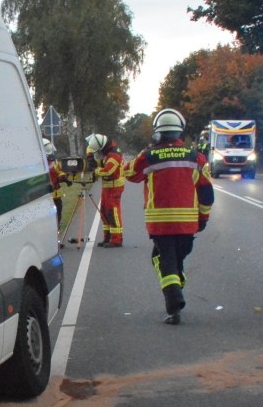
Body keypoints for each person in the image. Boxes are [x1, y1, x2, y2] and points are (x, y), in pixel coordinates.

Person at [126, 108, 213, 324]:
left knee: (163, 259)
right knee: (176, 261)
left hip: (160, 223)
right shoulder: (196, 157)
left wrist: (147, 150)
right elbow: (207, 193)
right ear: (179, 132)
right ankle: (175, 294)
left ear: (158, 133)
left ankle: (174, 299)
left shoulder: (149, 156)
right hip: (187, 225)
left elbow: (129, 174)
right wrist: (203, 218)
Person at [87, 133, 127, 247]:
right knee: (104, 212)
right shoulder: (108, 152)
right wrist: (93, 161)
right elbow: (104, 163)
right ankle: (108, 237)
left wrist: (95, 170)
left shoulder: (114, 155)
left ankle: (116, 239)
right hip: (107, 187)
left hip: (114, 187)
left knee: (112, 213)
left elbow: (108, 171)